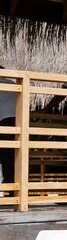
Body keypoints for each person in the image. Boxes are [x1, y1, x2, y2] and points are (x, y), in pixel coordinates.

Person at [0, 66, 18, 194]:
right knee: (12, 154)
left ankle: (8, 183)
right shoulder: (12, 83)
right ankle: (11, 186)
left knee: (6, 154)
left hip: (5, 120)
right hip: (18, 120)